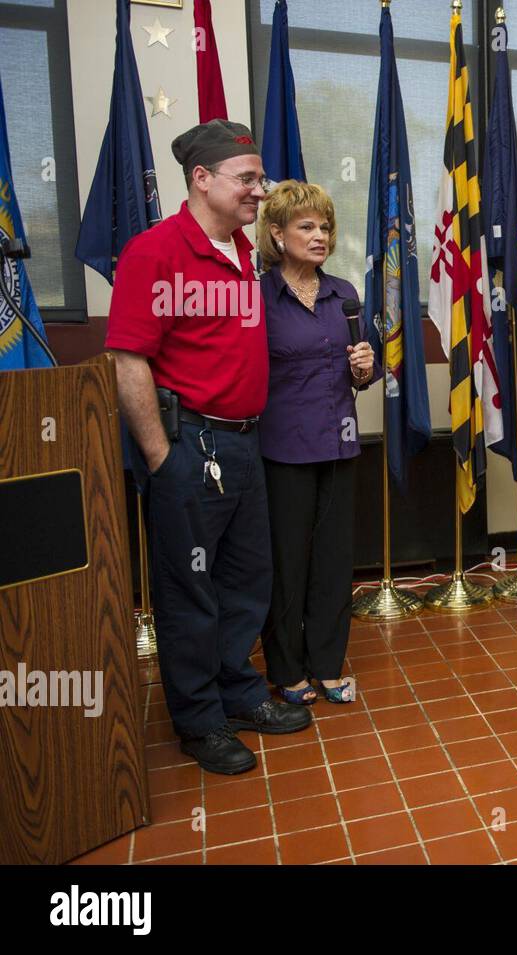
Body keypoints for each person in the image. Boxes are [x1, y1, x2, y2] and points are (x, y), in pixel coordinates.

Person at [105, 120, 312, 775]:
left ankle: (240, 693)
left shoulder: (242, 248)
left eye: (259, 176)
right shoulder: (154, 251)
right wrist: (162, 458)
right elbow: (127, 357)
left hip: (244, 446)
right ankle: (198, 721)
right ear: (202, 179)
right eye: (247, 179)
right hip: (190, 446)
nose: (260, 190)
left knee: (246, 583)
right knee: (189, 590)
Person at [256, 181, 374, 705]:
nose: (320, 235)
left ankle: (328, 665)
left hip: (339, 445)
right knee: (287, 563)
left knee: (332, 562)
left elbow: (357, 376)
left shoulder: (344, 294)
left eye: (325, 226)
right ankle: (287, 670)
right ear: (277, 234)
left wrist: (366, 372)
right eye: (306, 226)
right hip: (282, 450)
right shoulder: (258, 295)